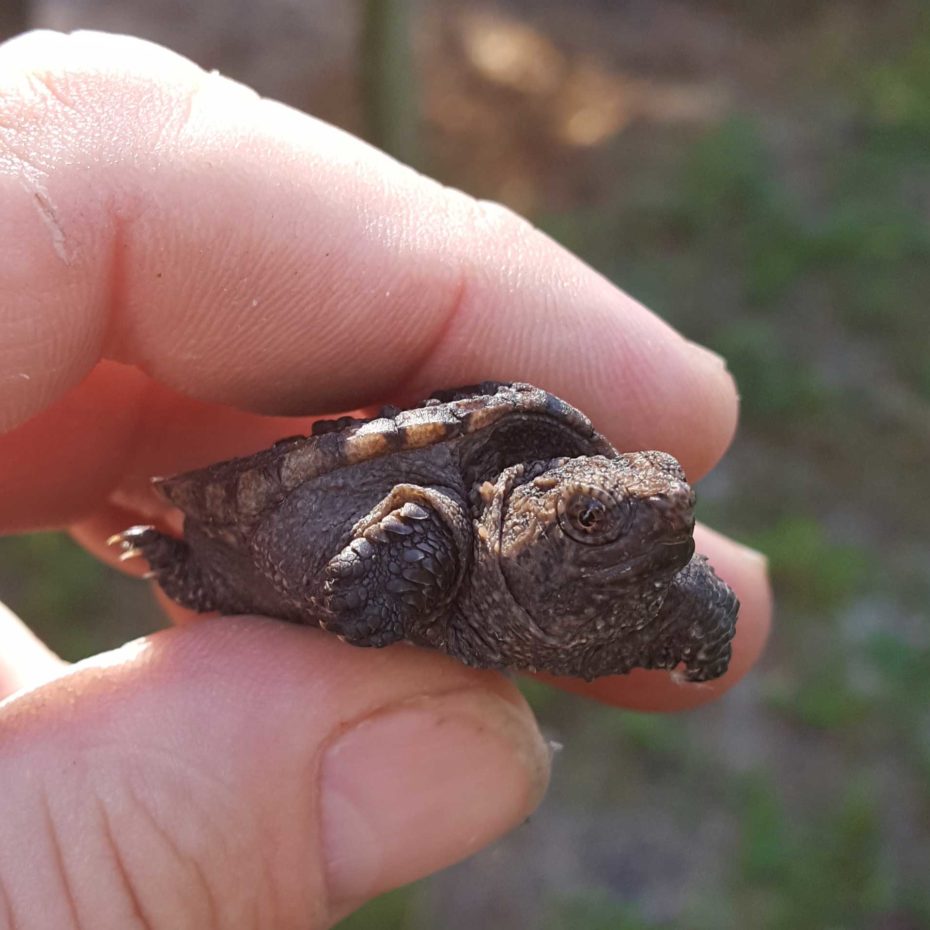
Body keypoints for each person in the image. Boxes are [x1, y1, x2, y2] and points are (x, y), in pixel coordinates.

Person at [0, 30, 771, 929]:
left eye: (669, 518)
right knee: (239, 560)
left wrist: (702, 613)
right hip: (311, 517)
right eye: (595, 519)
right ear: (517, 518)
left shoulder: (658, 586)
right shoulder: (449, 522)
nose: (656, 528)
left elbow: (697, 596)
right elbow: (400, 550)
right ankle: (193, 565)